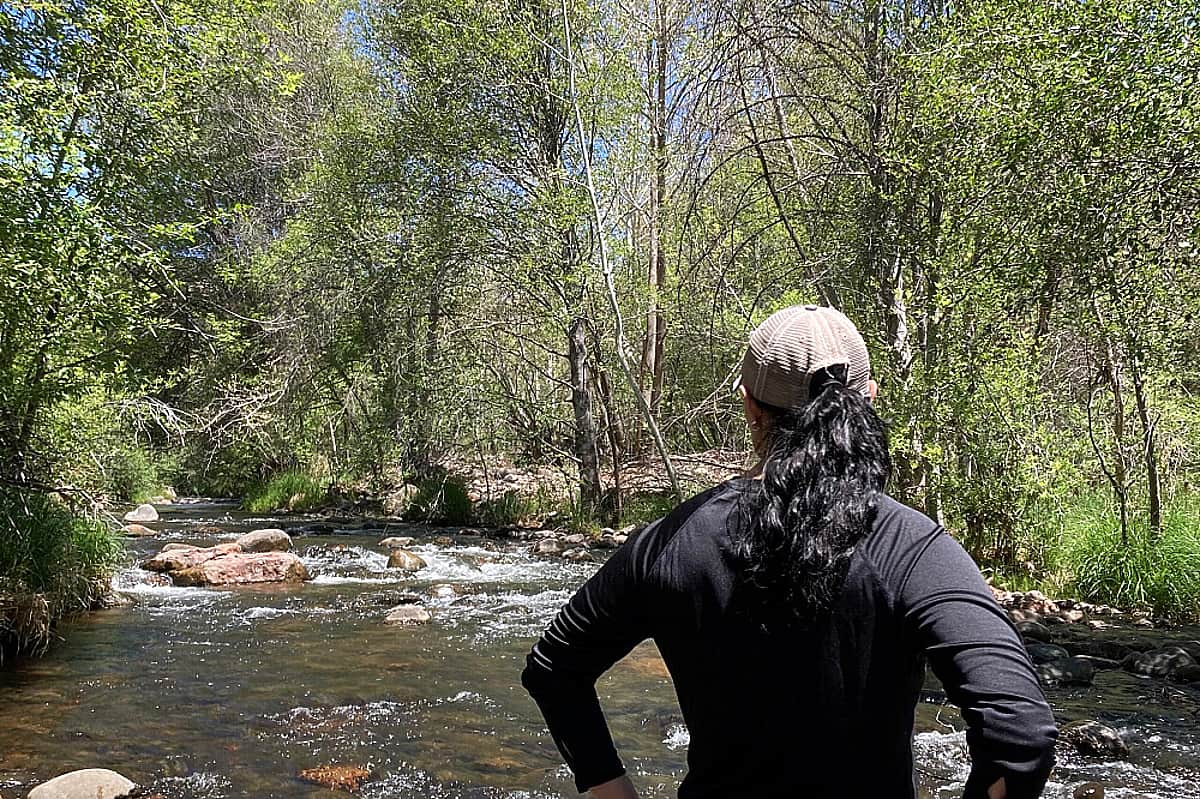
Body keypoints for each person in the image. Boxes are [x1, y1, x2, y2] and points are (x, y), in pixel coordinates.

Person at [522, 305, 1057, 799]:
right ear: (868, 398)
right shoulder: (911, 548)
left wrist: (608, 787)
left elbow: (553, 668)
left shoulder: (670, 542)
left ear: (751, 405)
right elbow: (1021, 737)